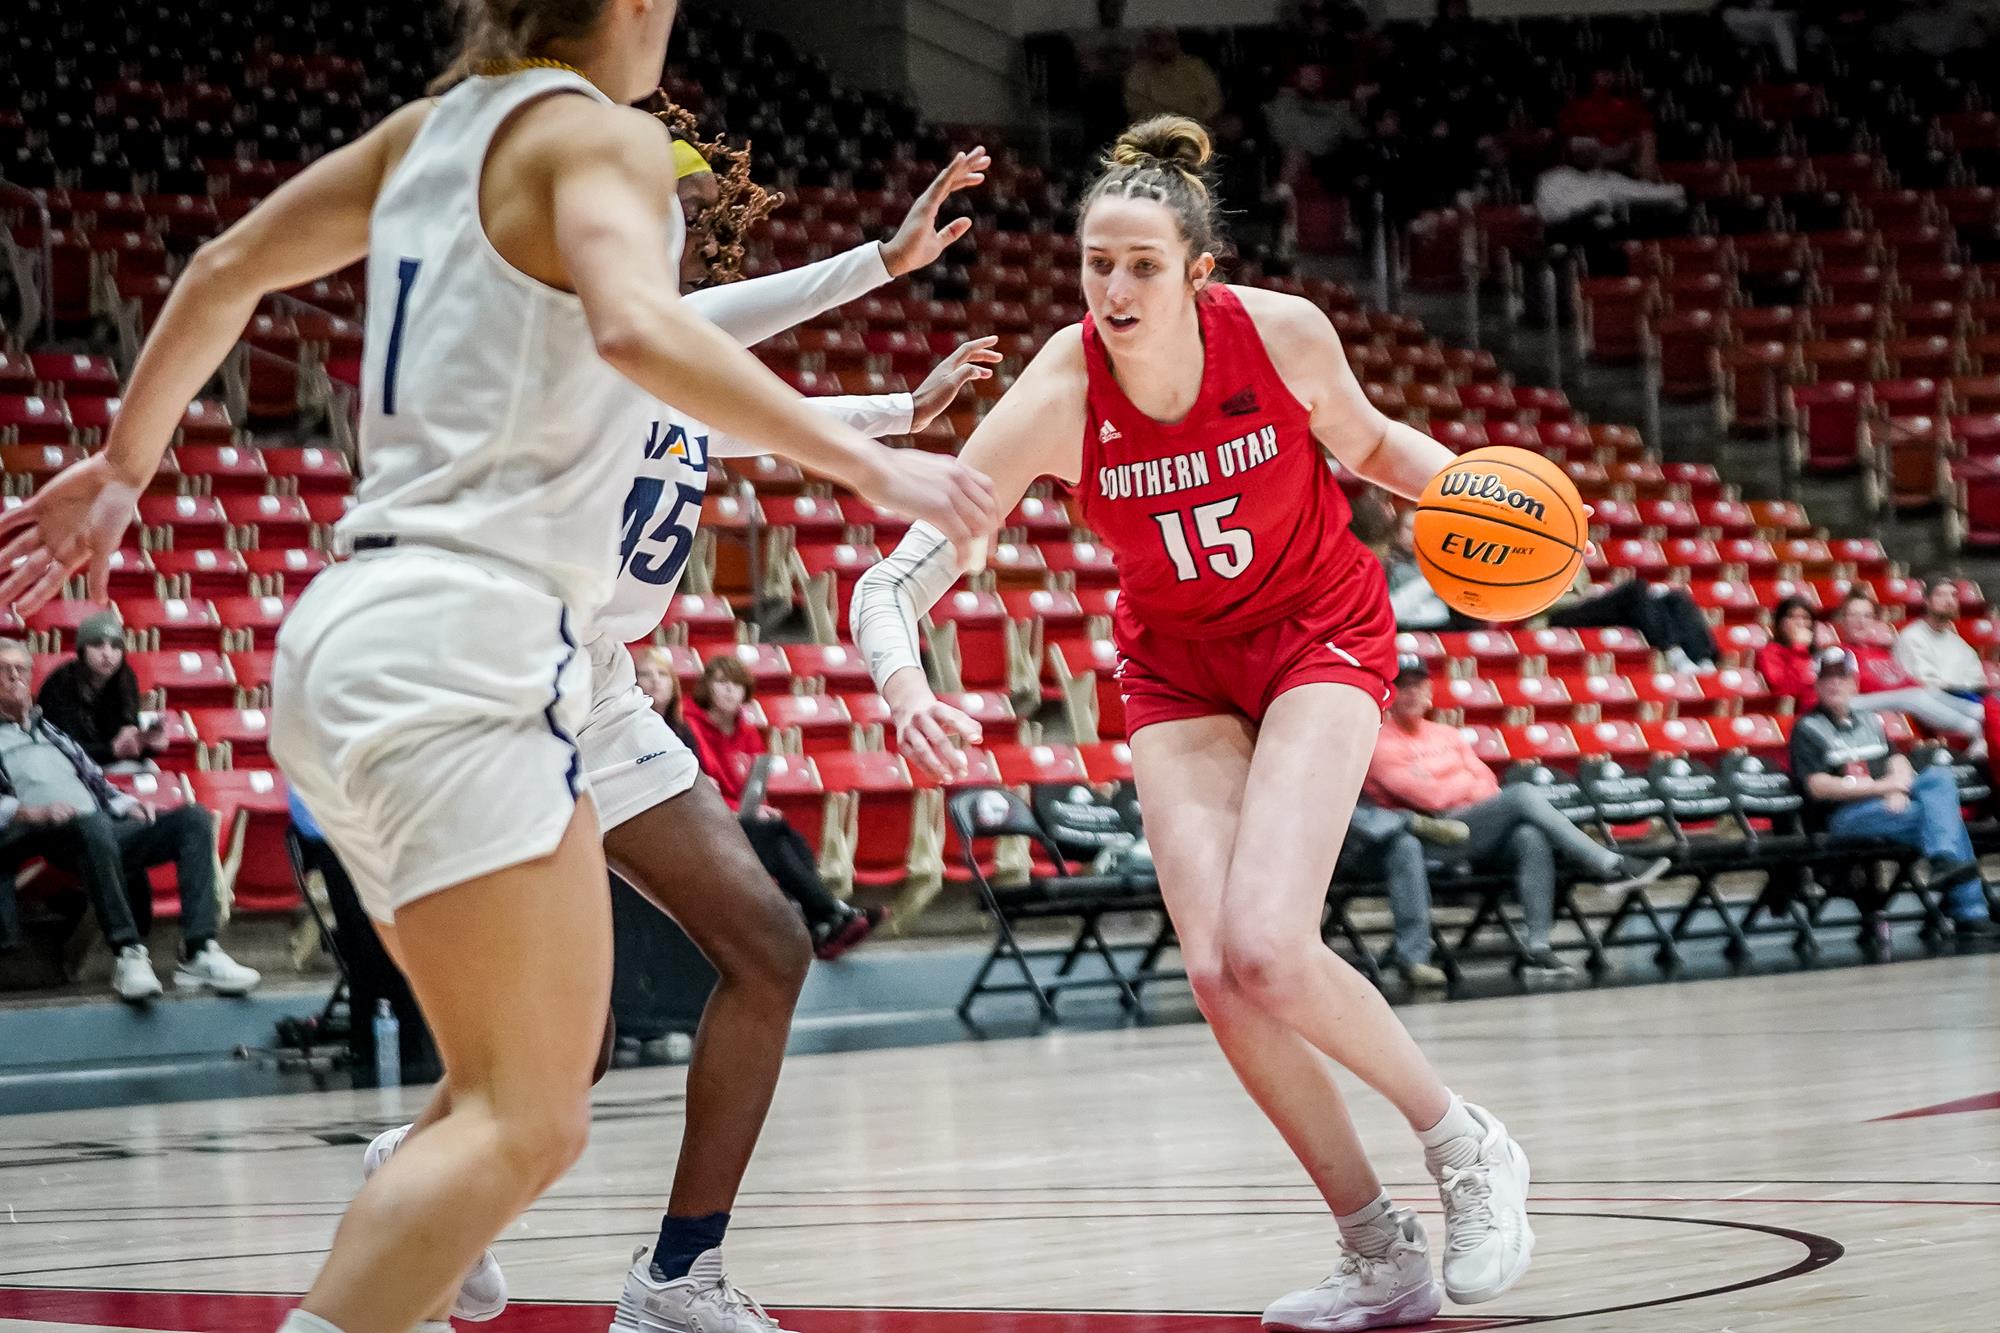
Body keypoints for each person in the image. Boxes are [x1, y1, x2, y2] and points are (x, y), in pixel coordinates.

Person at [0, 4, 999, 1331]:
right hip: (484, 651)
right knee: (531, 1109)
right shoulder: (611, 145)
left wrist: (126, 468)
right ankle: (466, 1184)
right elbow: (654, 331)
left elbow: (231, 262)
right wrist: (874, 462)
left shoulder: (436, 137)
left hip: (378, 640)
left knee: (597, 1042)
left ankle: (635, 1257)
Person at [854, 115, 1538, 1328]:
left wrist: (1494, 500)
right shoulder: (1058, 391)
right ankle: (1375, 1250)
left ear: (1198, 271)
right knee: (1223, 978)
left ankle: (1463, 1143)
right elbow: (899, 572)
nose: (1111, 288)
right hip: (1176, 670)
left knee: (1271, 946)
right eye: (1092, 263)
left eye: (1139, 265)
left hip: (1319, 630)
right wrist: (903, 684)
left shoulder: (1279, 336)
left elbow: (1373, 444)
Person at [356, 118, 998, 1330]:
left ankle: (676, 1278)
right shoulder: (560, 327)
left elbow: (739, 415)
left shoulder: (658, 364)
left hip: (591, 685)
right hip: (490, 690)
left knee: (767, 945)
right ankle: (419, 1176)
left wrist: (898, 411)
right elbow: (712, 347)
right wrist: (873, 263)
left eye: (692, 226)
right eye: (660, 218)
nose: (682, 243)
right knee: (570, 1050)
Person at [1365, 662, 1669, 981]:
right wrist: (1462, 782)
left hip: (1472, 830)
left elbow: (1488, 785)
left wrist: (1451, 784)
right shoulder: (1379, 742)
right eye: (1403, 685)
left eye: (1418, 685)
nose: (1412, 693)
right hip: (1427, 843)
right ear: (1389, 693)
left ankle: (1537, 948)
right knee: (1522, 794)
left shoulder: (1449, 734)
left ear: (1429, 690)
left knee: (1529, 835)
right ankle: (1608, 864)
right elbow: (1433, 799)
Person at [0, 638, 257, 1002]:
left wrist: (127, 804)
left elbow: (97, 782)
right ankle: (128, 954)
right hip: (44, 834)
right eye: (3, 670)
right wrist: (28, 812)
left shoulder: (52, 733)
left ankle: (200, 951)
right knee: (92, 825)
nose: (14, 677)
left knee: (193, 819)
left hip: (97, 826)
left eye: (20, 669)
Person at [684, 652, 887, 960]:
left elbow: (752, 786)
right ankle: (829, 913)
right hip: (709, 824)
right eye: (722, 683)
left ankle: (824, 919)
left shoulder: (748, 731)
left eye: (736, 685)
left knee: (785, 834)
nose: (729, 691)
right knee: (774, 834)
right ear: (707, 688)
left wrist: (759, 807)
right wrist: (739, 809)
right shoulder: (691, 728)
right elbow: (701, 786)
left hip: (742, 821)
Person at [1789, 649, 1995, 937]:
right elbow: (1818, 786)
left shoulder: (1870, 720)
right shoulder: (1807, 728)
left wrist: (1901, 783)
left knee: (1939, 777)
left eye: (1841, 676)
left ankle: (1947, 866)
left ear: (1854, 683)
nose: (1835, 684)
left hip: (1889, 803)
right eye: (1827, 678)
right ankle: (1969, 908)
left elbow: (1896, 759)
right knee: (1940, 818)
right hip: (1844, 816)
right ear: (1817, 684)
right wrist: (1886, 788)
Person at [1339, 799, 1470, 990]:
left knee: (1406, 845)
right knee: (1329, 806)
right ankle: (1409, 821)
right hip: (1317, 849)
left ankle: (1413, 961)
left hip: (1362, 842)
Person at [1832, 591, 1985, 750]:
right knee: (1914, 696)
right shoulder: (1840, 653)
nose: (1861, 622)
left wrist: (1926, 689)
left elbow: (1906, 681)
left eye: (1867, 616)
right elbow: (1840, 695)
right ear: (1842, 619)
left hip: (1901, 698)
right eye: (1853, 615)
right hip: (1857, 702)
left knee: (1927, 691)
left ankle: (1982, 712)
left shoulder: (1881, 652)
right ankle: (1972, 728)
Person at [35, 611, 167, 770]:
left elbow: (126, 739)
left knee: (149, 769)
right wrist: (112, 750)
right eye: (97, 645)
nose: (107, 654)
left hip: (108, 760)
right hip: (66, 766)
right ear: (82, 650)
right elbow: (63, 748)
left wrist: (147, 743)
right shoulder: (60, 684)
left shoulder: (125, 678)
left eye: (115, 646)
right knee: (128, 771)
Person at [1534, 138, 1684, 233]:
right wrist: (1593, 207)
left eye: (1591, 150)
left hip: (1608, 237)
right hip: (1569, 235)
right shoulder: (1552, 179)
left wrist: (1678, 190)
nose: (1586, 154)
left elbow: (1646, 193)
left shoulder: (1608, 178)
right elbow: (1551, 215)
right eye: (1581, 151)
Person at [1893, 577, 1986, 697]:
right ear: (1927, 601)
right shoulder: (1911, 637)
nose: (1949, 601)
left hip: (1963, 704)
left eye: (1954, 595)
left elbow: (1977, 683)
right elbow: (1924, 684)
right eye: (1940, 594)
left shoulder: (1961, 646)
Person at [1555, 66, 1657, 176]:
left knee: (1647, 136)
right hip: (1588, 147)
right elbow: (1566, 127)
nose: (1607, 77)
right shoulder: (1580, 103)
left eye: (1610, 74)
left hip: (1616, 148)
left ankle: (1647, 178)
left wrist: (1624, 139)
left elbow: (1642, 124)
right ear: (1594, 76)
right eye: (1603, 73)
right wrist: (1594, 135)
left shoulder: (1625, 103)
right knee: (1580, 143)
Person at [1124, 29, 1224, 126]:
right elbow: (1137, 108)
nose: (1163, 44)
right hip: (1160, 128)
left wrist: (1203, 121)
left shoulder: (1195, 65)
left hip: (1198, 123)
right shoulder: (1139, 71)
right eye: (1156, 39)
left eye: (1169, 38)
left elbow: (1213, 98)